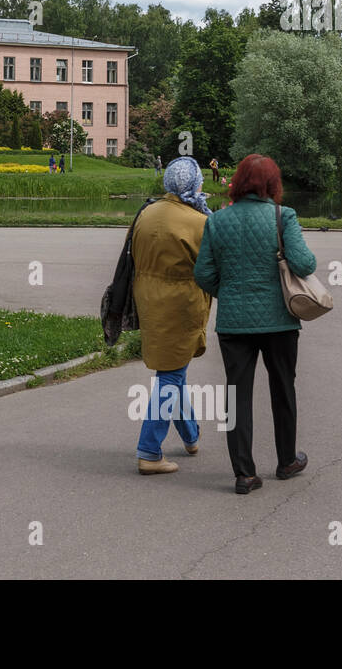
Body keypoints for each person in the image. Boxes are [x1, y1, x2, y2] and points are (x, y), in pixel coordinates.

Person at [194, 153, 316, 495]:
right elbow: (304, 264)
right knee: (283, 388)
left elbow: (203, 273)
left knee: (237, 395)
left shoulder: (216, 221)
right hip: (280, 322)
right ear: (272, 185)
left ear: (238, 183)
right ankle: (287, 460)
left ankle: (244, 474)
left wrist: (230, 293)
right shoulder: (283, 216)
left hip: (234, 325)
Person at [131, 156, 214, 475]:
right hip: (181, 303)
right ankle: (150, 452)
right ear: (192, 184)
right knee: (171, 375)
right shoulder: (199, 222)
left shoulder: (147, 212)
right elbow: (209, 270)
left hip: (148, 298)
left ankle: (191, 434)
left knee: (173, 370)